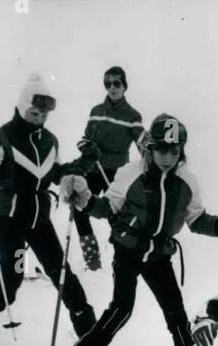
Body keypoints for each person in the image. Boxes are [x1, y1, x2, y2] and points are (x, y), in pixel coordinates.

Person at [55, 113, 218, 346]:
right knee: (121, 309)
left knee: (176, 315)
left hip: (159, 255)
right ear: (150, 147)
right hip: (128, 249)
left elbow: (197, 220)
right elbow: (107, 208)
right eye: (161, 149)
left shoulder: (187, 181)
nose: (167, 157)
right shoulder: (130, 173)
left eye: (174, 151)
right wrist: (85, 199)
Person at [0, 76, 97, 346]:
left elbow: (56, 175)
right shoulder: (1, 137)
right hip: (9, 218)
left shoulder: (50, 141)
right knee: (13, 274)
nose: (40, 118)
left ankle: (92, 335)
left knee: (63, 274)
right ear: (22, 106)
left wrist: (87, 161)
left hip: (38, 219)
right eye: (35, 112)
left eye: (44, 114)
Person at [69, 65, 144, 271]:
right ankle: (91, 256)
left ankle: (122, 256)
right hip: (94, 169)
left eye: (116, 83)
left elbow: (142, 143)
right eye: (107, 83)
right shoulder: (96, 111)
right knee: (79, 208)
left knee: (116, 216)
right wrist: (86, 145)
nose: (112, 87)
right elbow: (87, 137)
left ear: (124, 85)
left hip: (116, 172)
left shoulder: (132, 116)